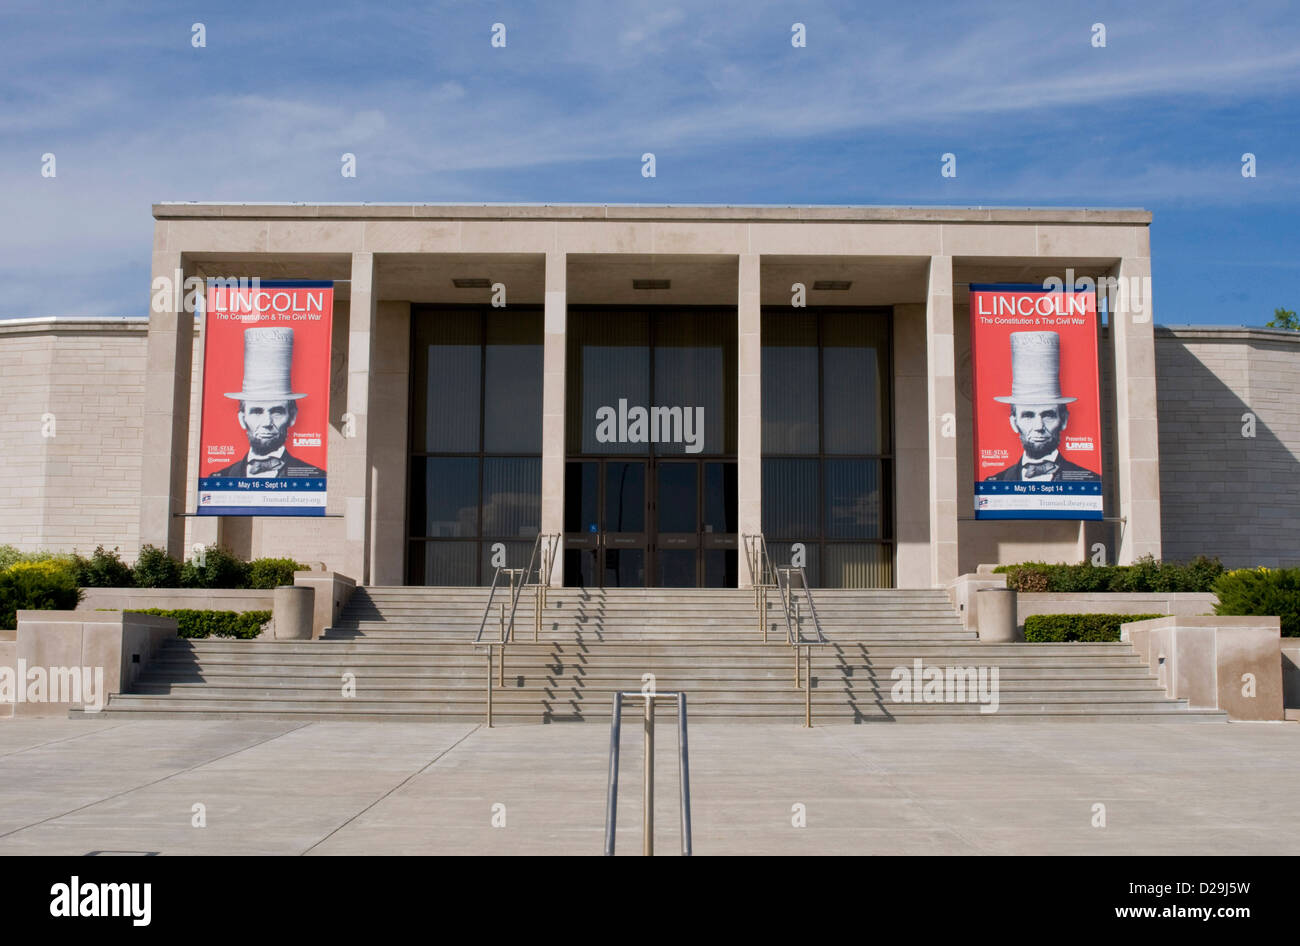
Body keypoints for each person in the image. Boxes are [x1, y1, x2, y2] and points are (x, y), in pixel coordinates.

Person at [984, 331, 1099, 482]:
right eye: (1028, 415)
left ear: (1064, 420)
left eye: (1048, 415)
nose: (1039, 426)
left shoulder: (1090, 481)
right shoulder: (996, 482)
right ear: (1013, 422)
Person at [210, 327, 324, 479]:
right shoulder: (220, 478)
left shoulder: (316, 477)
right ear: (242, 419)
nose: (267, 423)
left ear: (292, 417)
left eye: (277, 412)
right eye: (257, 411)